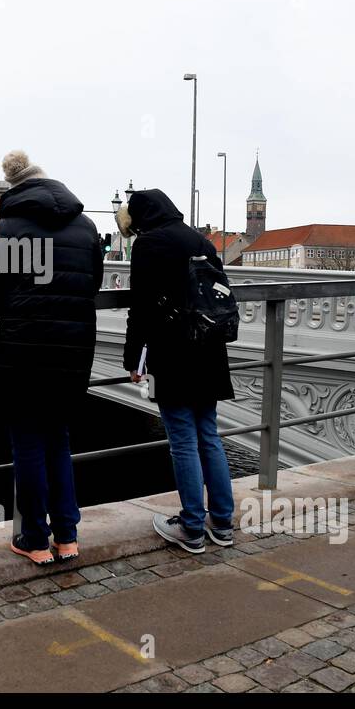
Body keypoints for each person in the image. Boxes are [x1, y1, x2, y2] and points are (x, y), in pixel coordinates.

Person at [0, 151, 102, 565]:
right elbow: (94, 283)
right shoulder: (86, 227)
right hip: (72, 349)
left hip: (24, 350)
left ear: (14, 189)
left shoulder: (10, 228)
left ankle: (34, 538)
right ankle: (67, 537)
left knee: (28, 445)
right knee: (59, 443)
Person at [117, 189, 236, 554]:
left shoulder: (149, 245)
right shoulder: (200, 239)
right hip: (209, 350)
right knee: (209, 436)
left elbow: (141, 307)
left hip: (174, 351)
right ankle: (222, 522)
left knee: (183, 439)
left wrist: (133, 359)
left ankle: (191, 526)